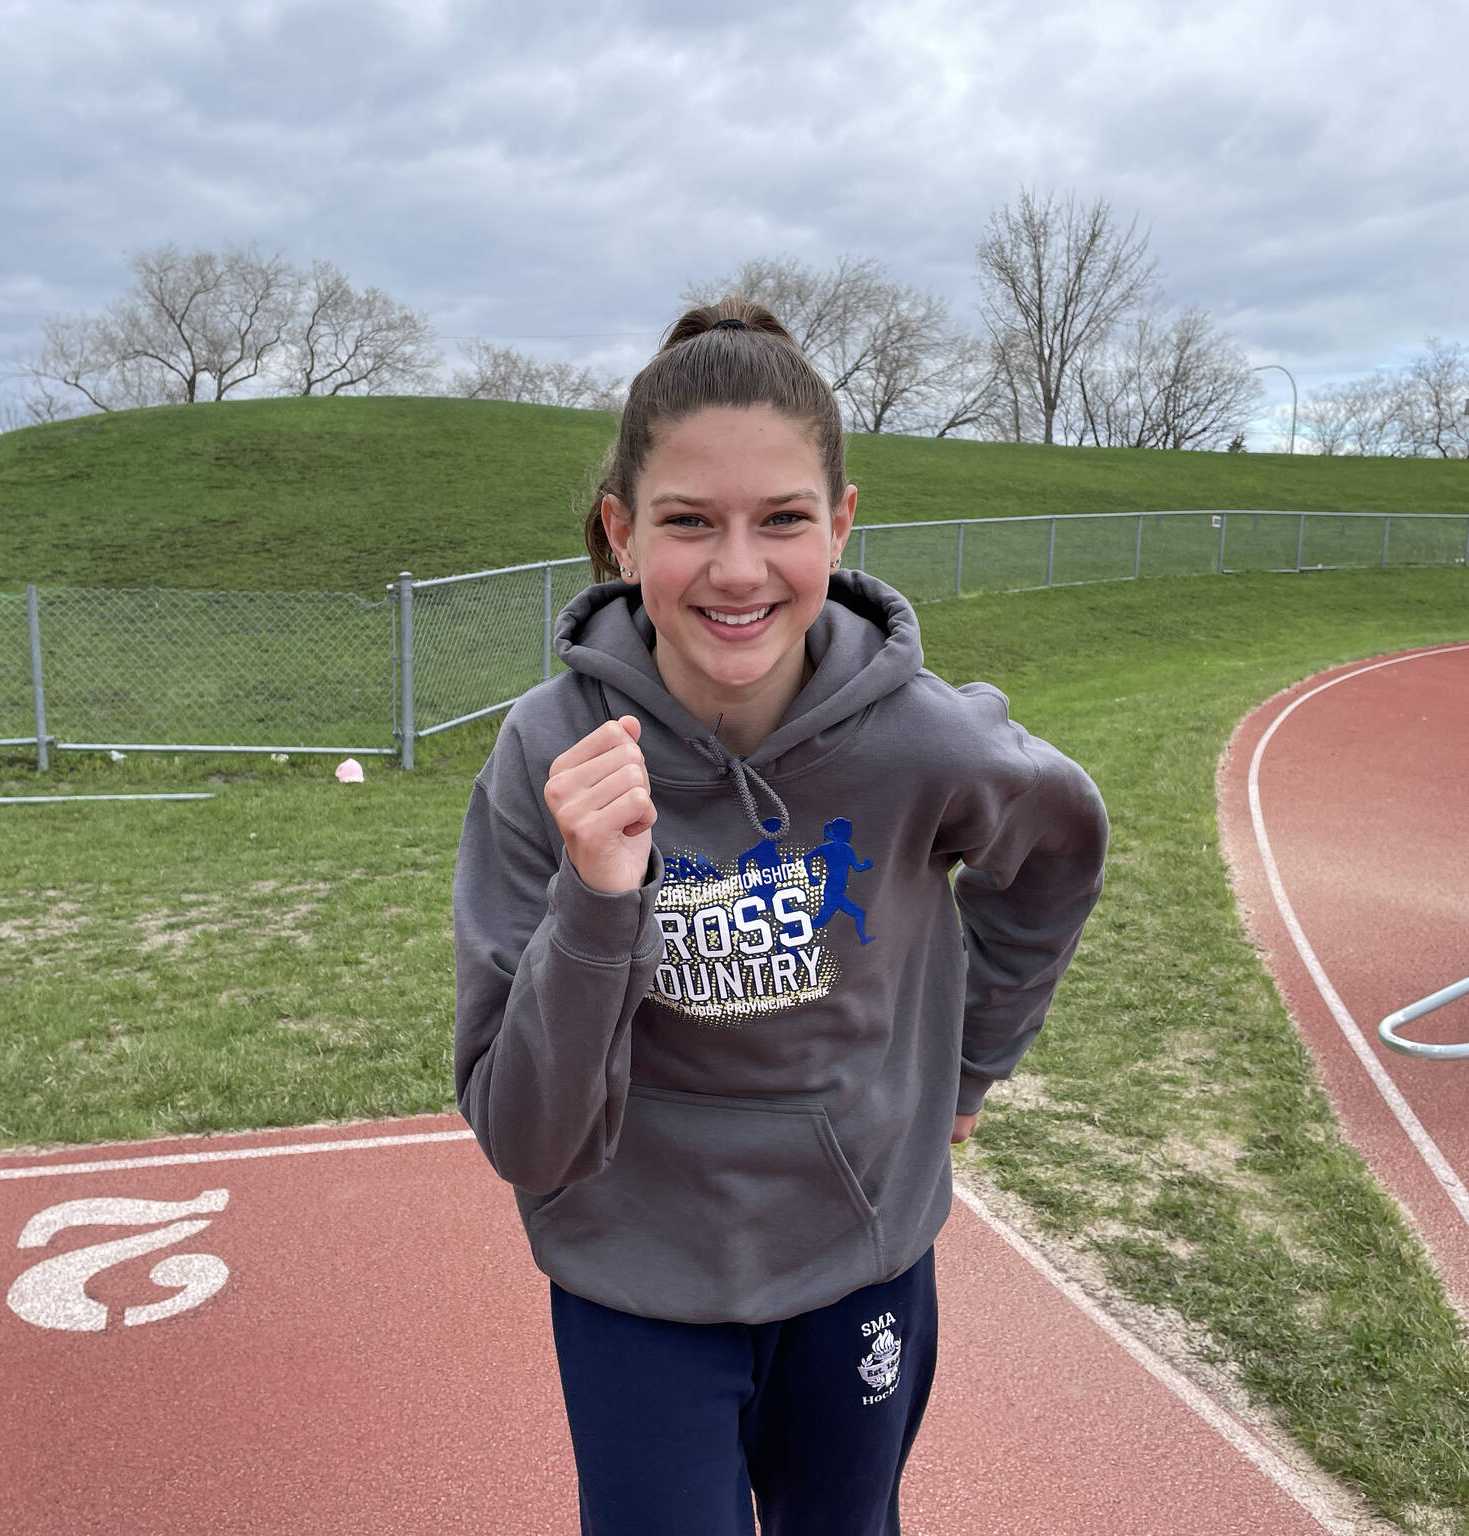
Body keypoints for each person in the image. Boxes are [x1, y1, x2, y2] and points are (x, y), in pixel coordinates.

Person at [452, 299, 1108, 1536]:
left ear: (842, 524)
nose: (738, 569)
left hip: (853, 1259)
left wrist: (972, 1063)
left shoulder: (926, 744)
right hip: (630, 1278)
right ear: (620, 531)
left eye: (783, 520)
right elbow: (524, 1139)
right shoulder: (547, 752)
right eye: (688, 521)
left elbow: (1058, 849)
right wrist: (598, 901)